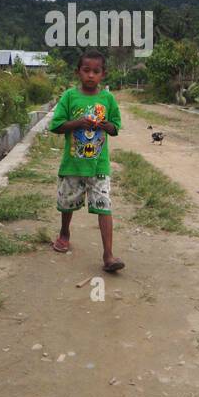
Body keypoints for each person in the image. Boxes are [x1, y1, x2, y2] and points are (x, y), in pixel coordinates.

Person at [50, 48, 124, 272]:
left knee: (104, 206)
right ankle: (64, 233)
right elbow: (56, 125)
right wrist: (79, 123)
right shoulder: (69, 97)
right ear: (78, 72)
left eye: (96, 71)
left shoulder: (108, 99)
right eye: (86, 70)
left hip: (98, 166)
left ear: (103, 74)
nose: (91, 75)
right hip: (73, 164)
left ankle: (108, 255)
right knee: (67, 204)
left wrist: (104, 125)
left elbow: (115, 128)